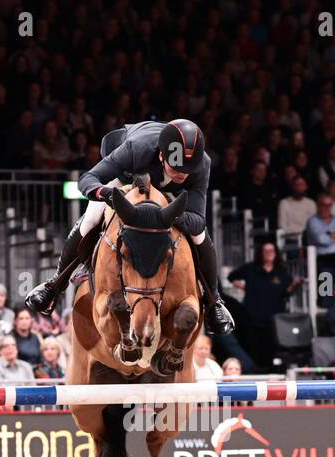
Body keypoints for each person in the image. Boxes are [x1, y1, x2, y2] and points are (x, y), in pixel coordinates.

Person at [23, 119, 236, 335]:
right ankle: (54, 285)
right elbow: (88, 179)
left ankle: (214, 303)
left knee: (200, 235)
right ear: (162, 155)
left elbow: (198, 219)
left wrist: (165, 215)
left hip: (168, 198)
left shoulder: (200, 164)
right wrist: (105, 194)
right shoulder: (137, 149)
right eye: (177, 167)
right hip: (125, 177)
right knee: (91, 219)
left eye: (188, 169)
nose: (183, 174)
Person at [228, 240, 298, 370]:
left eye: (271, 251)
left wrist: (294, 285)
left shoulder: (281, 272)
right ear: (260, 253)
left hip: (273, 320)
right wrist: (244, 287)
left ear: (276, 253)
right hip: (252, 317)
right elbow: (231, 277)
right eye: (265, 251)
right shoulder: (251, 268)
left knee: (270, 351)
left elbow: (285, 293)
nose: (268, 254)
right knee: (252, 348)